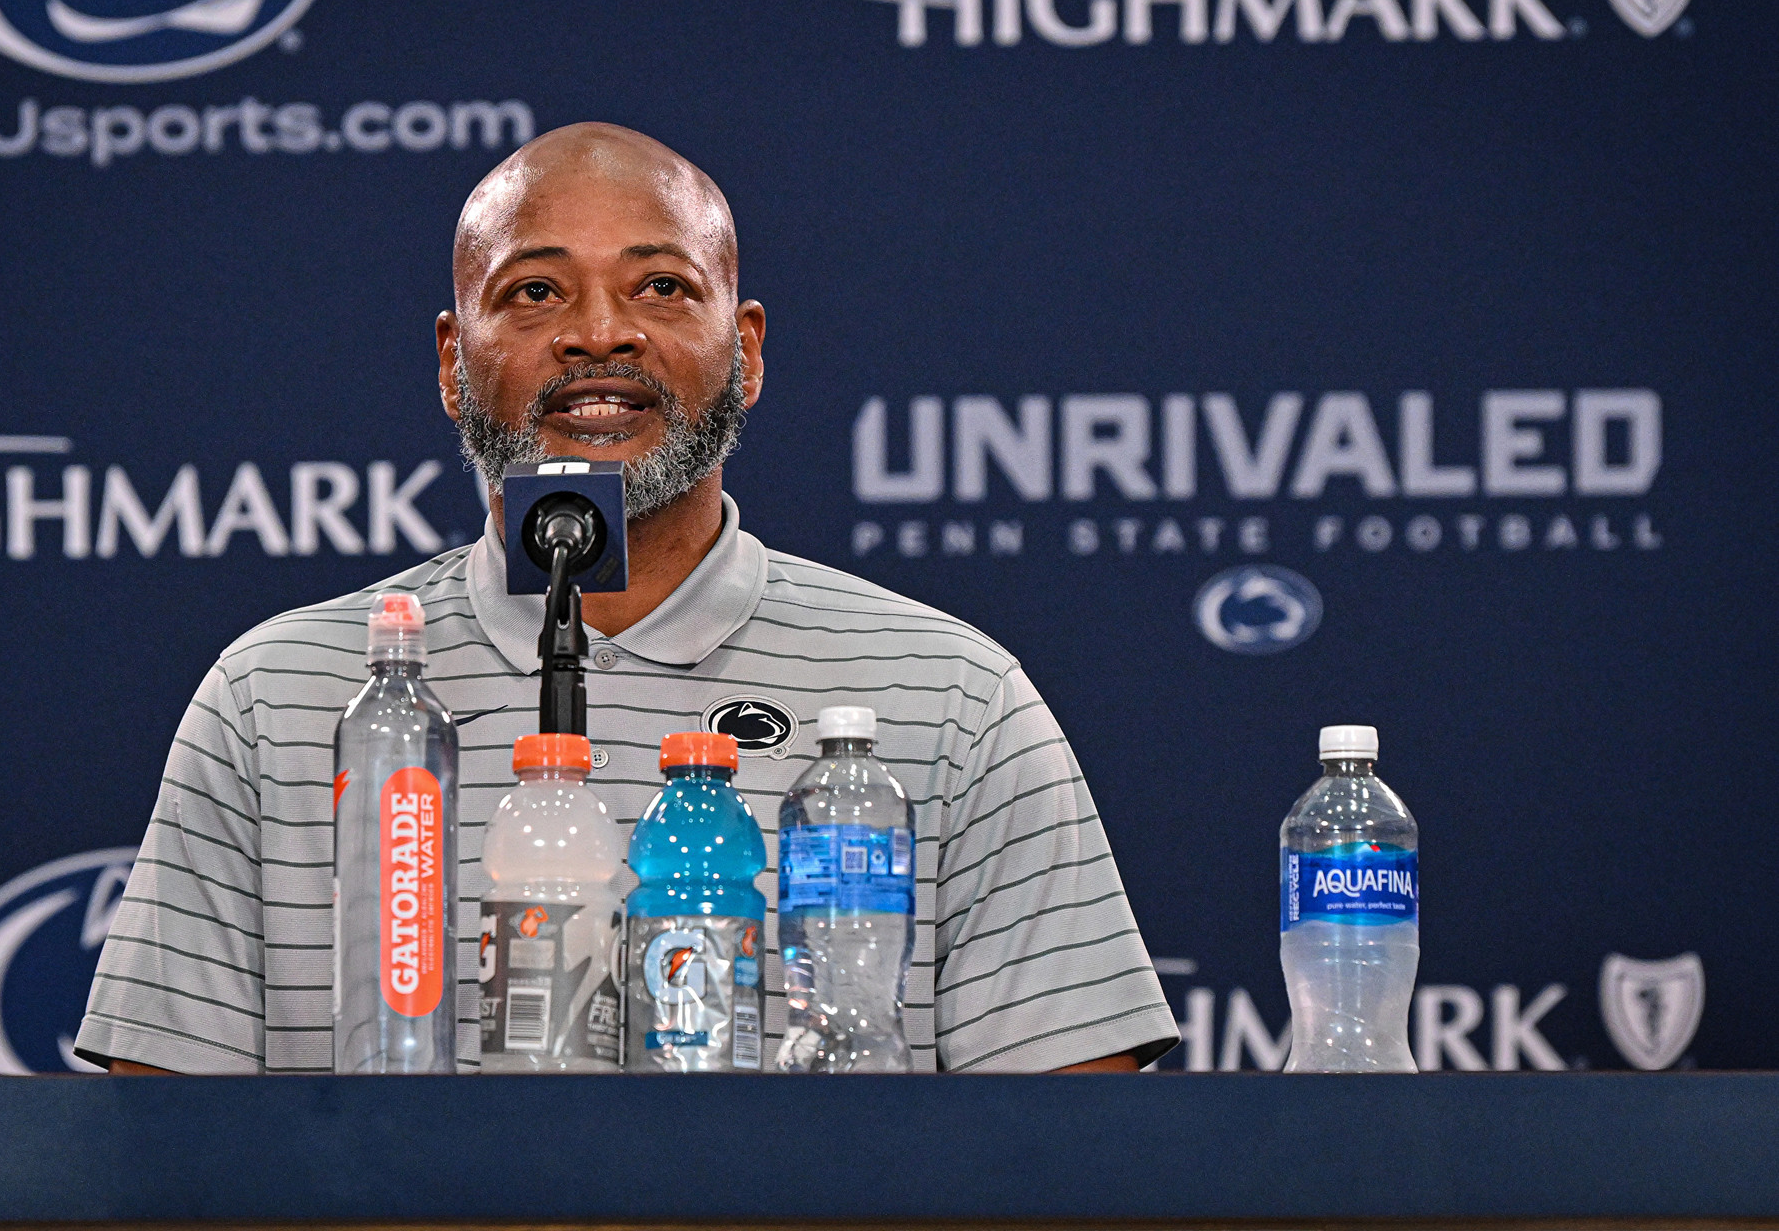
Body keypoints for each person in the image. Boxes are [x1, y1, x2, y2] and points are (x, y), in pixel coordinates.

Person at [76, 123, 1178, 1075]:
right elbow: (159, 1156)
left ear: (745, 352)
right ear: (453, 362)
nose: (600, 332)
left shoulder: (955, 696)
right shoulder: (277, 696)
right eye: (535, 291)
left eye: (661, 287)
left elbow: (1072, 1152)